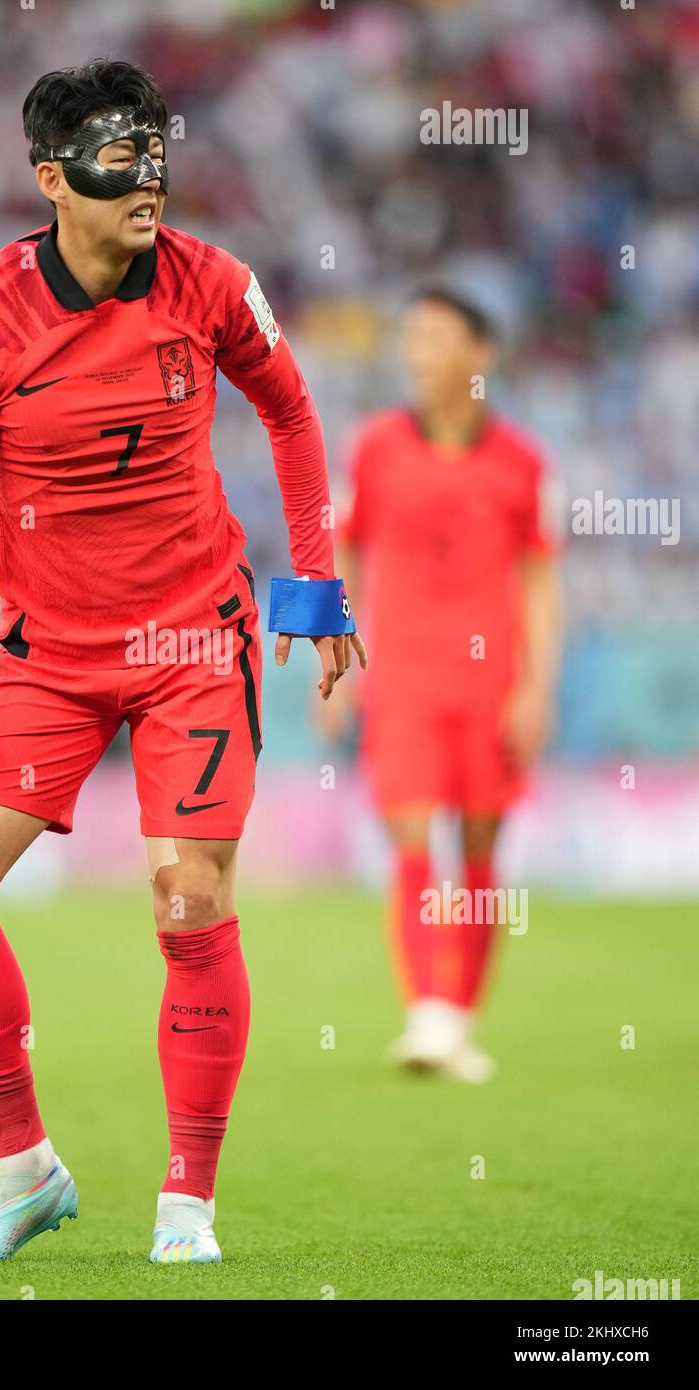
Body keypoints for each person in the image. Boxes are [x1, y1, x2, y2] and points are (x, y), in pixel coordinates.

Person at [0, 59, 366, 1265]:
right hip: (46, 656)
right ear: (51, 178)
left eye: (154, 147)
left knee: (188, 899)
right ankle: (26, 1170)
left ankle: (185, 1209)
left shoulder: (212, 283)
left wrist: (312, 589)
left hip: (188, 644)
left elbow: (292, 413)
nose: (146, 174)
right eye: (117, 153)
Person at [322, 289, 560, 1082]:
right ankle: (426, 1012)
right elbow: (342, 552)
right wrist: (337, 656)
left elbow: (540, 582)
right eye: (412, 336)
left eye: (435, 337)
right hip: (406, 680)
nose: (418, 352)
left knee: (484, 846)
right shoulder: (376, 447)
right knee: (415, 835)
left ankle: (459, 1017)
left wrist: (536, 685)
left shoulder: (522, 461)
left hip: (493, 682)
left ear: (480, 355)